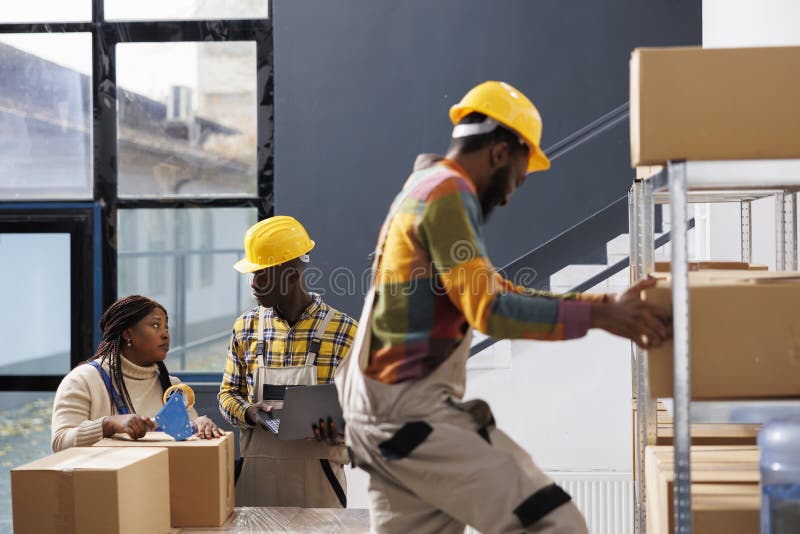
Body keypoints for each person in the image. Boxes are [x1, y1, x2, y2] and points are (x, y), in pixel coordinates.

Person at [337, 81, 672, 533]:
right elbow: (490, 310)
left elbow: (490, 290)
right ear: (499, 152)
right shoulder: (448, 194)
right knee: (555, 524)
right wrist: (603, 313)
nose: (513, 192)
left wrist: (600, 305)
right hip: (406, 412)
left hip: (374, 415)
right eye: (519, 173)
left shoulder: (421, 187)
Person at [218, 215, 358, 508]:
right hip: (256, 484)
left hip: (321, 486)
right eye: (251, 274)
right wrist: (248, 412)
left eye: (262, 275)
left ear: (292, 275)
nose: (253, 283)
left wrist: (341, 427)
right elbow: (227, 395)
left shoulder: (345, 331)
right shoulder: (245, 328)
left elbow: (366, 409)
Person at [52, 295, 222, 452]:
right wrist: (108, 425)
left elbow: (188, 440)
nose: (165, 334)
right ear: (128, 333)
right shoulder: (83, 380)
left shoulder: (172, 387)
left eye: (166, 327)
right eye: (156, 325)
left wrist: (199, 426)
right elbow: (60, 443)